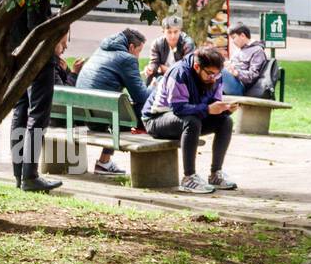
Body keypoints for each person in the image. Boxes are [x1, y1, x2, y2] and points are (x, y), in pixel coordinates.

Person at [142, 45, 237, 194]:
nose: (214, 78)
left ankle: (215, 174)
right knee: (191, 121)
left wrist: (223, 110)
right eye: (210, 74)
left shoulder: (216, 75)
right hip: (156, 119)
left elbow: (212, 104)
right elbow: (178, 109)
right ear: (197, 66)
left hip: (189, 116)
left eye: (217, 75)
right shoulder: (179, 73)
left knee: (225, 122)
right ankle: (188, 178)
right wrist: (207, 109)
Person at [0, 0, 63, 193]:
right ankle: (30, 175)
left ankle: (20, 173)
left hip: (13, 55)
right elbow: (37, 26)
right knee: (37, 115)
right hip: (36, 58)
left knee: (20, 112)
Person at [75, 28, 151, 175]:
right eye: (139, 51)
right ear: (131, 47)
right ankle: (147, 166)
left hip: (85, 114)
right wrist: (157, 88)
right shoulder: (126, 58)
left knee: (122, 110)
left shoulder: (101, 50)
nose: (138, 56)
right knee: (144, 108)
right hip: (105, 116)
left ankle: (104, 162)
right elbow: (141, 96)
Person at [221, 23, 280, 98]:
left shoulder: (257, 50)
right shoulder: (238, 50)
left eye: (233, 37)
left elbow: (253, 75)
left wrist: (236, 72)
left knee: (219, 70)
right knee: (213, 66)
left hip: (242, 87)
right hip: (231, 81)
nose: (233, 41)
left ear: (242, 35)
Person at [143, 15, 195, 86]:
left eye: (176, 32)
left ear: (180, 30)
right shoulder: (157, 44)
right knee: (152, 84)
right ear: (163, 31)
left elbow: (186, 69)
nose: (173, 36)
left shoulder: (187, 44)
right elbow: (154, 62)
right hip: (161, 76)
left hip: (181, 80)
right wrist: (150, 68)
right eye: (169, 32)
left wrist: (166, 69)